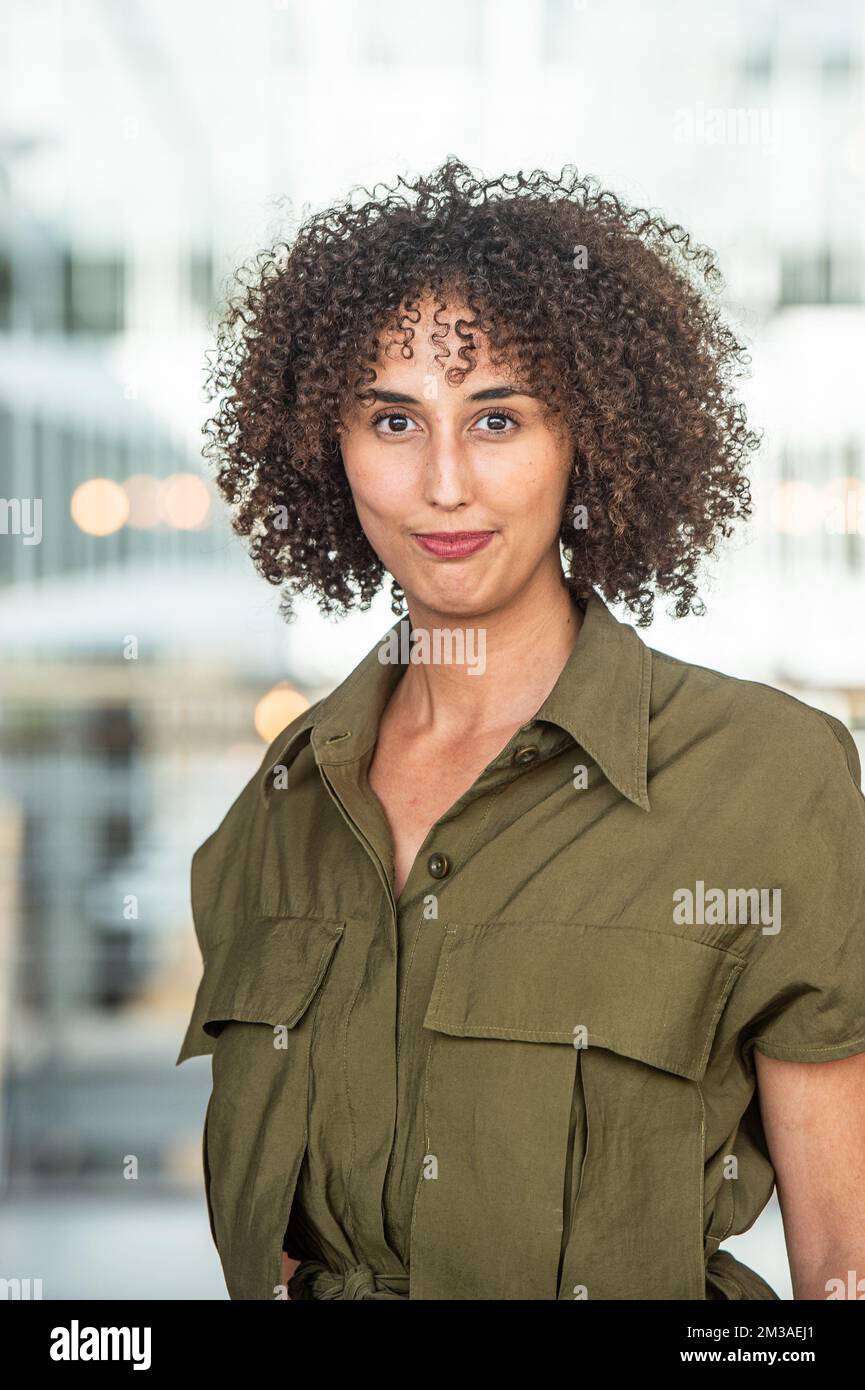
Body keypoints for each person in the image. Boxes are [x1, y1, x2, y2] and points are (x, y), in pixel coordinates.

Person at [177, 158, 865, 1301]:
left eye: (496, 417)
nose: (443, 482)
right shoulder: (282, 804)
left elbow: (845, 1263)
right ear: (325, 447)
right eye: (393, 418)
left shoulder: (768, 780)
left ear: (585, 440)